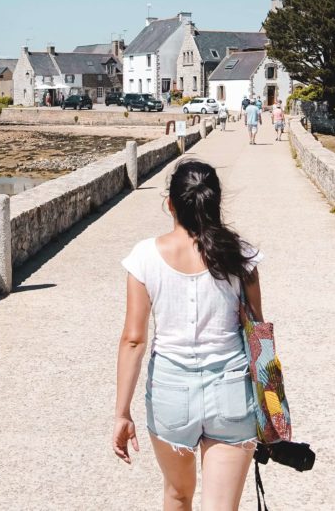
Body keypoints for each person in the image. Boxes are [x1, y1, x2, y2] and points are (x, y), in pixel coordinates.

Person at [114, 160, 263, 511]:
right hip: (231, 391)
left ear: (170, 204)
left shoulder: (144, 256)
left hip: (171, 394)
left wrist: (122, 412)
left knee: (178, 494)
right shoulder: (240, 255)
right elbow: (257, 330)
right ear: (215, 202)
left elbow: (134, 340)